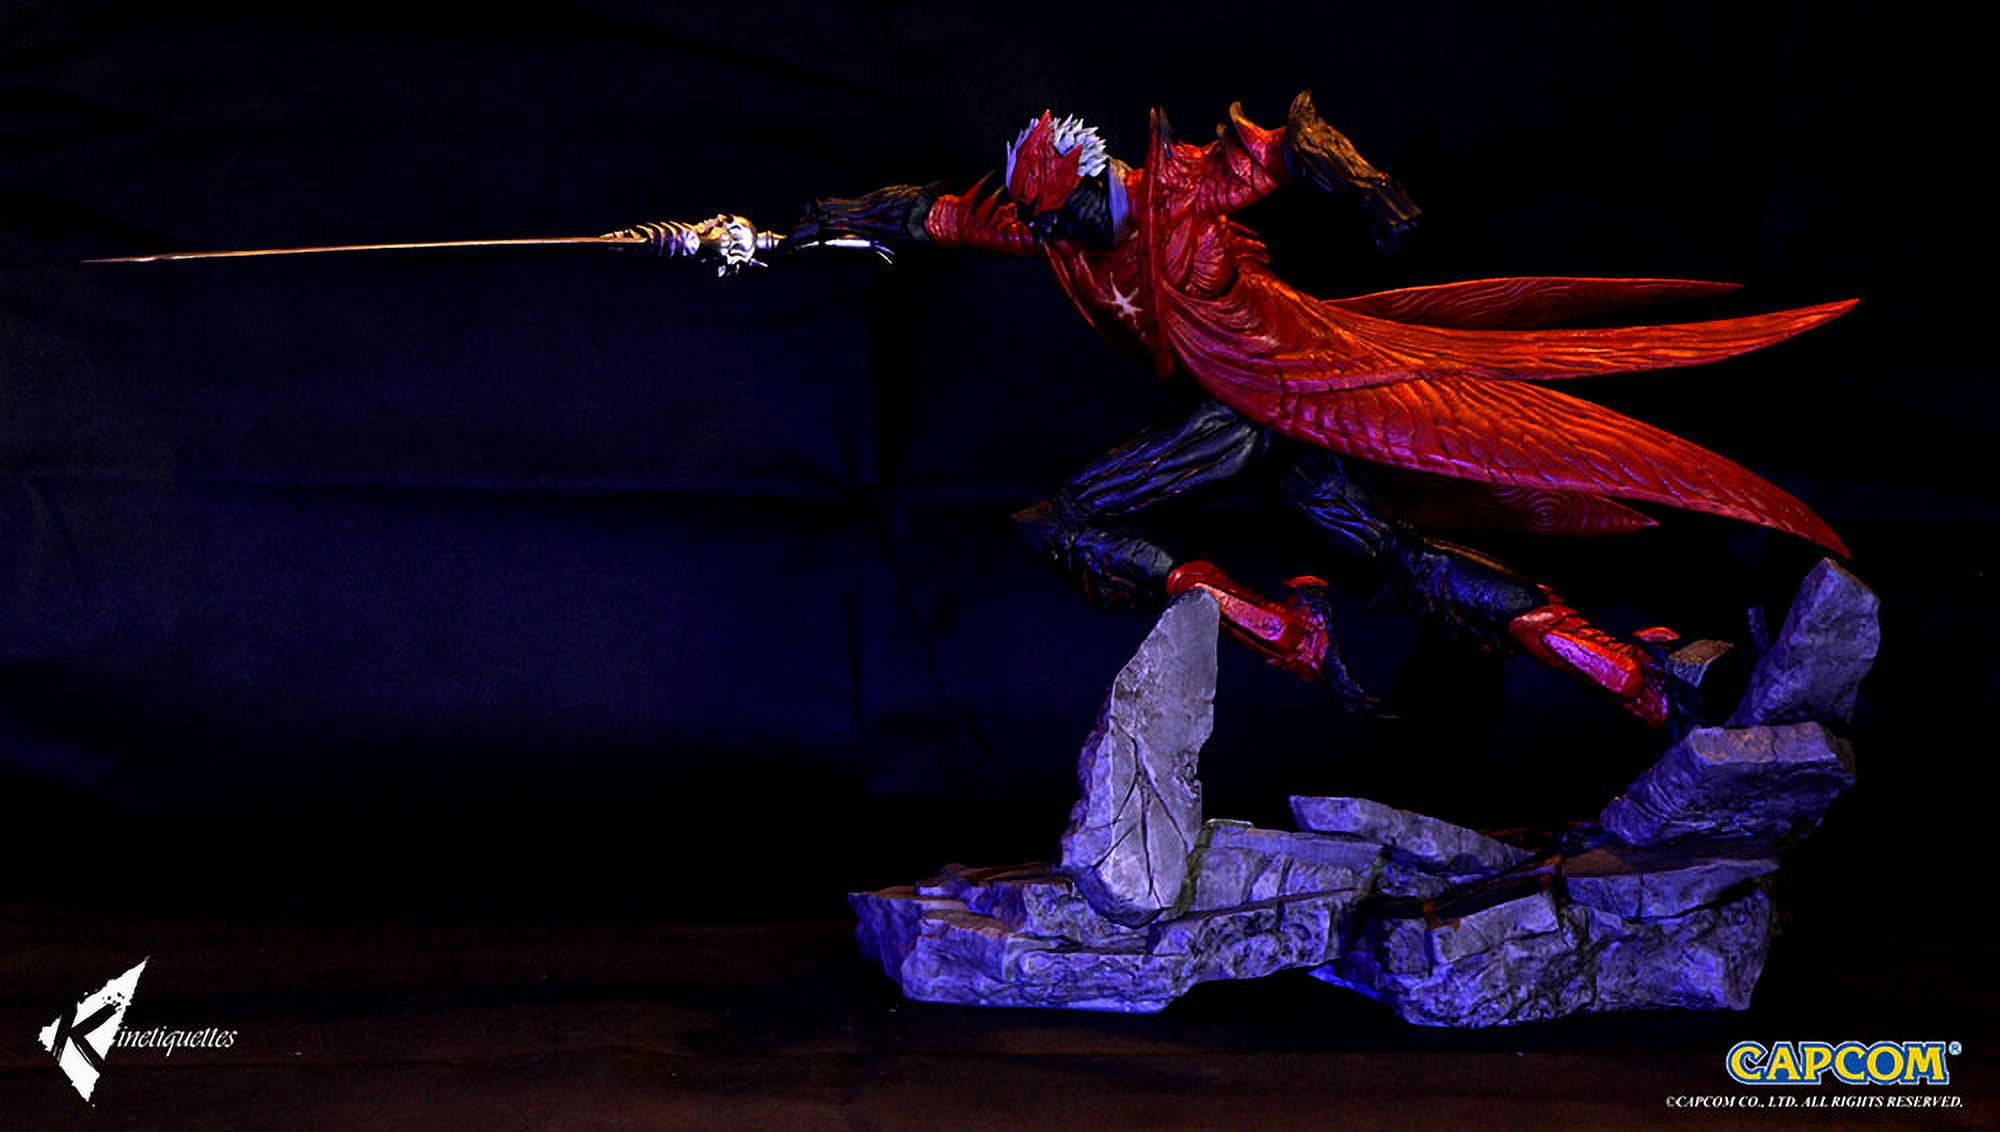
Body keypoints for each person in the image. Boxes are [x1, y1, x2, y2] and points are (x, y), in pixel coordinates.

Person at [786, 93, 1853, 727]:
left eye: (1061, 214)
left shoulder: (1178, 190)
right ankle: (1629, 675)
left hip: (1278, 394)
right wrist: (822, 225)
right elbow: (938, 218)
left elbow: (1284, 145)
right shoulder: (1056, 225)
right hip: (1266, 420)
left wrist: (1369, 187)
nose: (1052, 234)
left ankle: (1290, 630)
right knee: (1395, 553)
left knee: (1068, 519)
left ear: (1096, 179)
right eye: (1044, 221)